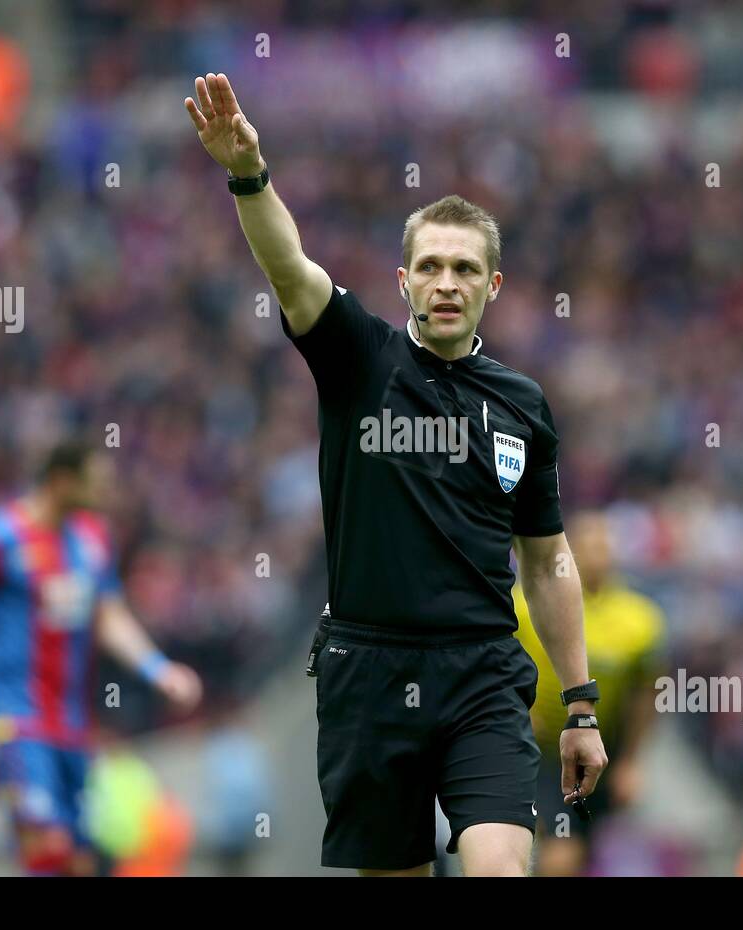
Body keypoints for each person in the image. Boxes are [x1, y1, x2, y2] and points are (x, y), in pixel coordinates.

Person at [185, 72, 607, 876]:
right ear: (404, 279)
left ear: (493, 286)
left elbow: (548, 558)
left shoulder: (524, 407)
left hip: (483, 670)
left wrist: (581, 705)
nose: (447, 283)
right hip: (369, 672)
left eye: (465, 269)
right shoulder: (359, 358)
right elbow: (291, 268)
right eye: (432, 267)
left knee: (500, 868)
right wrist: (248, 173)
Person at [0, 441, 202, 875]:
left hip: (73, 728)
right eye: (97, 482)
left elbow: (109, 616)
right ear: (62, 481)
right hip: (17, 721)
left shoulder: (93, 538)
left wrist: (159, 670)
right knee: (46, 850)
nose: (107, 491)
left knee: (82, 860)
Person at [513, 509, 666, 875]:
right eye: (587, 545)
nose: (597, 554)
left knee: (583, 842)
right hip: (543, 745)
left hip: (601, 746)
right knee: (560, 843)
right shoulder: (525, 603)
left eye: (604, 545)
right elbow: (499, 660)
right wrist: (516, 708)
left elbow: (645, 693)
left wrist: (631, 759)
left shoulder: (639, 620)